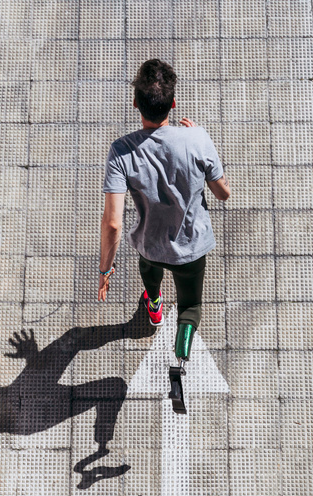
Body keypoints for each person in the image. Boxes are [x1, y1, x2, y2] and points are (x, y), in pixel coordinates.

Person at [98, 59, 230, 409]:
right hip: (191, 248)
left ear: (135, 104)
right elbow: (223, 193)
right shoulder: (197, 138)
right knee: (190, 306)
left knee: (151, 276)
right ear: (173, 103)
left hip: (151, 246)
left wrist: (105, 271)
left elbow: (112, 223)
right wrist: (201, 143)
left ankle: (153, 306)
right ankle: (181, 354)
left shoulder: (121, 152)